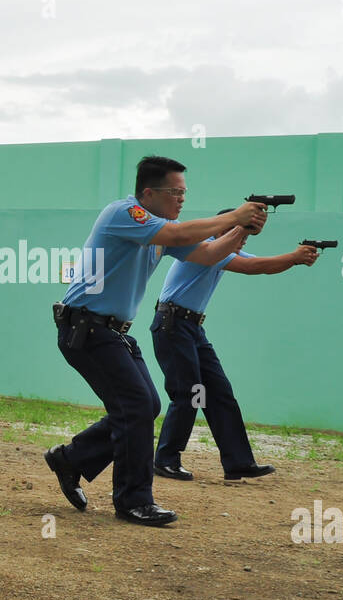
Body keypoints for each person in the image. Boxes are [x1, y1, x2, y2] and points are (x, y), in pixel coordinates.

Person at [45, 156, 266, 526]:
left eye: (184, 193)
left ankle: (71, 458)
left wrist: (240, 231)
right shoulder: (124, 214)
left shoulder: (162, 230)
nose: (181, 199)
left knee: (145, 405)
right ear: (149, 192)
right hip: (86, 328)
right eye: (175, 192)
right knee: (134, 405)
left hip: (110, 332)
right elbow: (180, 236)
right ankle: (134, 501)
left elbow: (208, 253)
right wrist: (234, 217)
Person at [151, 220, 318, 481]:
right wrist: (294, 257)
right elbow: (253, 267)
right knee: (191, 393)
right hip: (173, 325)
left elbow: (264, 265)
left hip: (191, 328)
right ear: (222, 233)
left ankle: (238, 462)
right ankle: (166, 459)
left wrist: (295, 259)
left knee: (219, 392)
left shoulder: (224, 252)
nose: (242, 243)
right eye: (240, 236)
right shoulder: (206, 247)